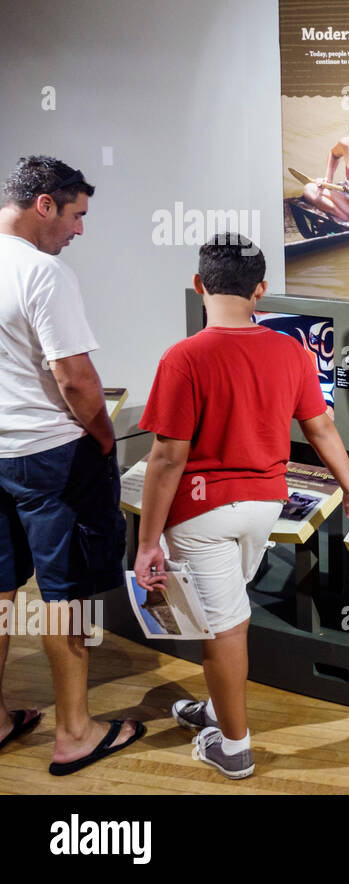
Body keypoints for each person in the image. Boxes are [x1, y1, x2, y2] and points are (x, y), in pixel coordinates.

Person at [132, 236, 349, 780]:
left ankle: (235, 747)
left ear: (200, 285)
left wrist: (147, 541)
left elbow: (167, 458)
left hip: (202, 514)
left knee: (224, 630)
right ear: (261, 290)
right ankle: (222, 711)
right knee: (225, 617)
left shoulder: (183, 357)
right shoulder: (291, 352)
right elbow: (320, 428)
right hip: (265, 507)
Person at [0, 155, 144, 775]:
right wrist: (107, 436)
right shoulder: (43, 273)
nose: (80, 231)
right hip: (52, 458)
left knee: (1, 588)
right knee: (67, 595)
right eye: (77, 215)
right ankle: (76, 734)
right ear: (45, 205)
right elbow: (77, 381)